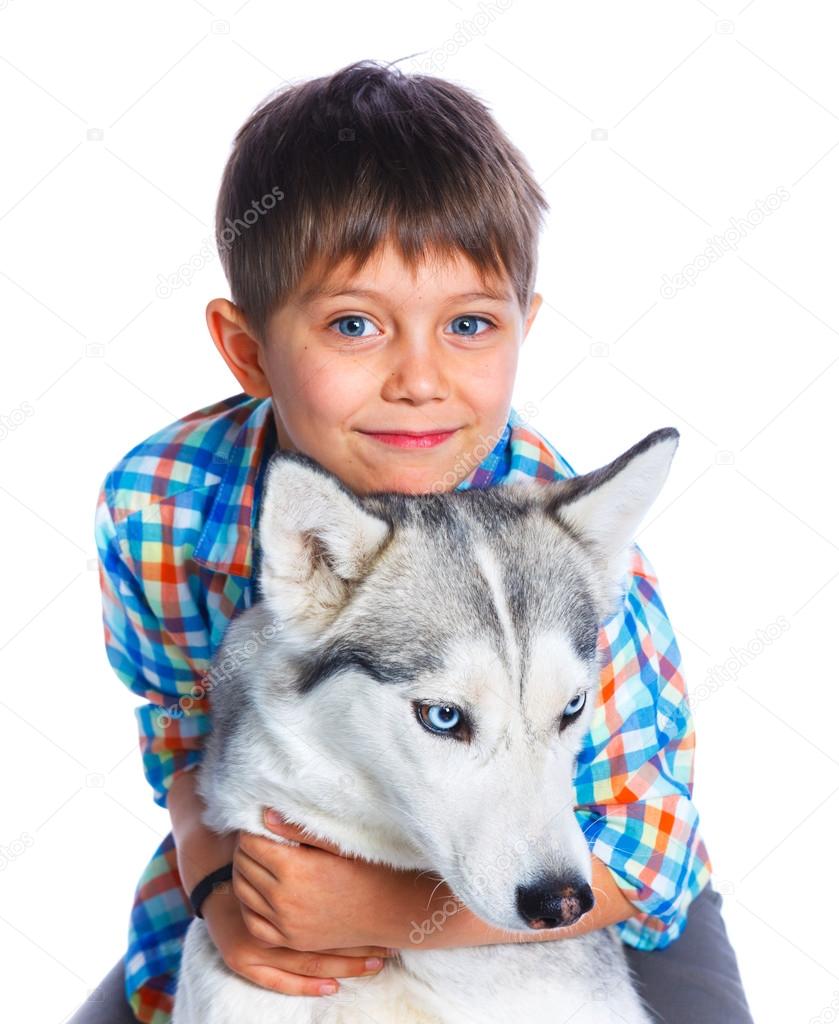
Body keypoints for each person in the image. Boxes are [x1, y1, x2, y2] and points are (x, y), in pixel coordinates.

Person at [75, 58, 754, 1024]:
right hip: (277, 857)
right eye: (355, 324)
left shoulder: (565, 556)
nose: (420, 380)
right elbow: (177, 721)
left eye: (470, 324)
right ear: (247, 350)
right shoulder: (161, 504)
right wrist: (214, 881)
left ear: (526, 325)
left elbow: (652, 853)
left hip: (590, 881)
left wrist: (388, 912)